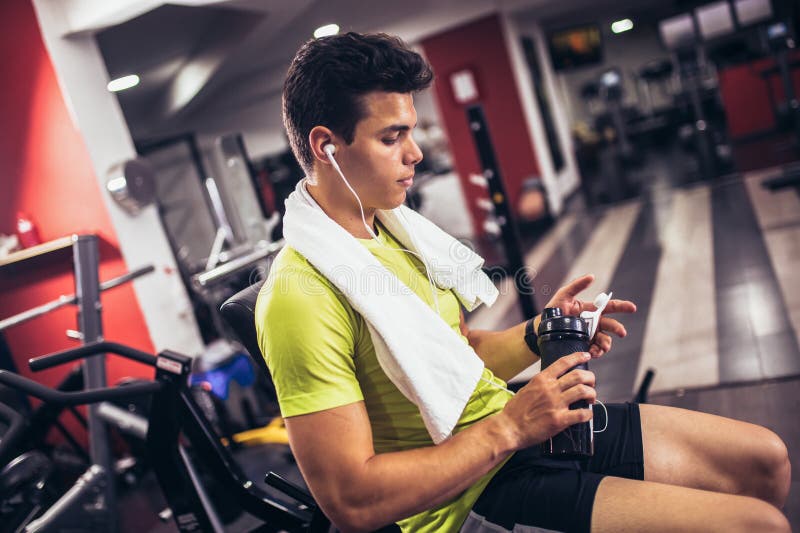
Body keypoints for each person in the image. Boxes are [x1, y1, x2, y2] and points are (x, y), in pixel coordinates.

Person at [255, 32, 791, 533]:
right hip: (466, 499)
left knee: (764, 462)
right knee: (761, 526)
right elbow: (351, 501)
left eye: (411, 132)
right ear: (326, 146)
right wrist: (510, 427)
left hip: (511, 434)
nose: (415, 153)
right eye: (392, 137)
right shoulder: (299, 296)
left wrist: (543, 329)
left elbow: (458, 359)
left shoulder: (392, 231)